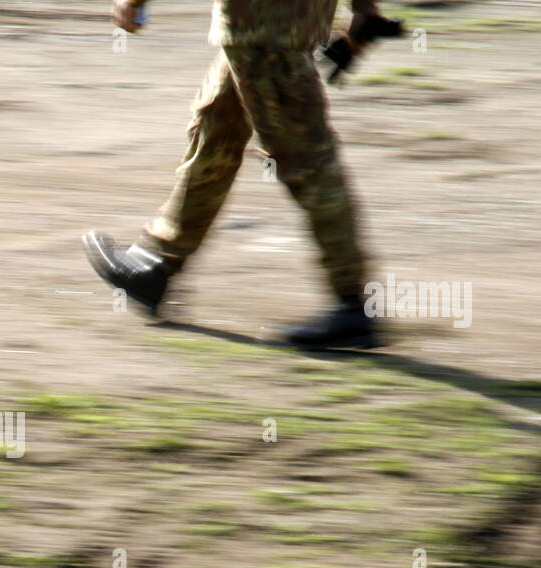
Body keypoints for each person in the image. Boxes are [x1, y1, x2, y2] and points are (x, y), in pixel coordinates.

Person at [84, 0, 384, 349]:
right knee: (218, 127)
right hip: (273, 25)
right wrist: (366, 11)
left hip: (262, 26)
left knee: (306, 158)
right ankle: (158, 265)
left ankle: (352, 305)